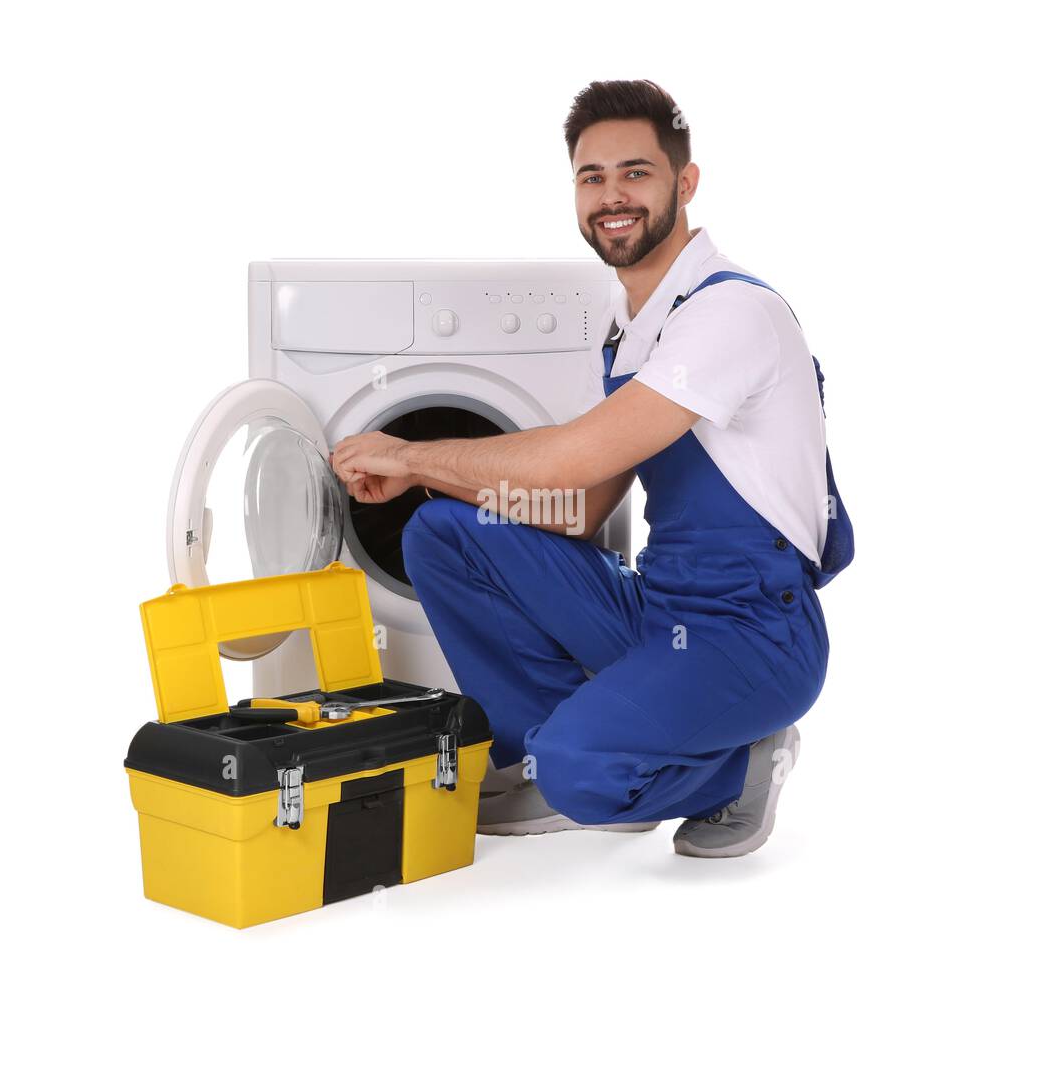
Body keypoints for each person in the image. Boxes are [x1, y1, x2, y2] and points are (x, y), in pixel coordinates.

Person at [330, 78, 852, 858]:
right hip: (660, 611)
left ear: (685, 182)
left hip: (755, 632)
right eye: (591, 176)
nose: (612, 196)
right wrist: (427, 482)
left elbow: (573, 460)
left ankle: (738, 763)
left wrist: (408, 454)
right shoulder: (628, 326)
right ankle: (557, 755)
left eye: (636, 172)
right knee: (442, 532)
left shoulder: (730, 313)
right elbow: (579, 510)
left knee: (580, 771)